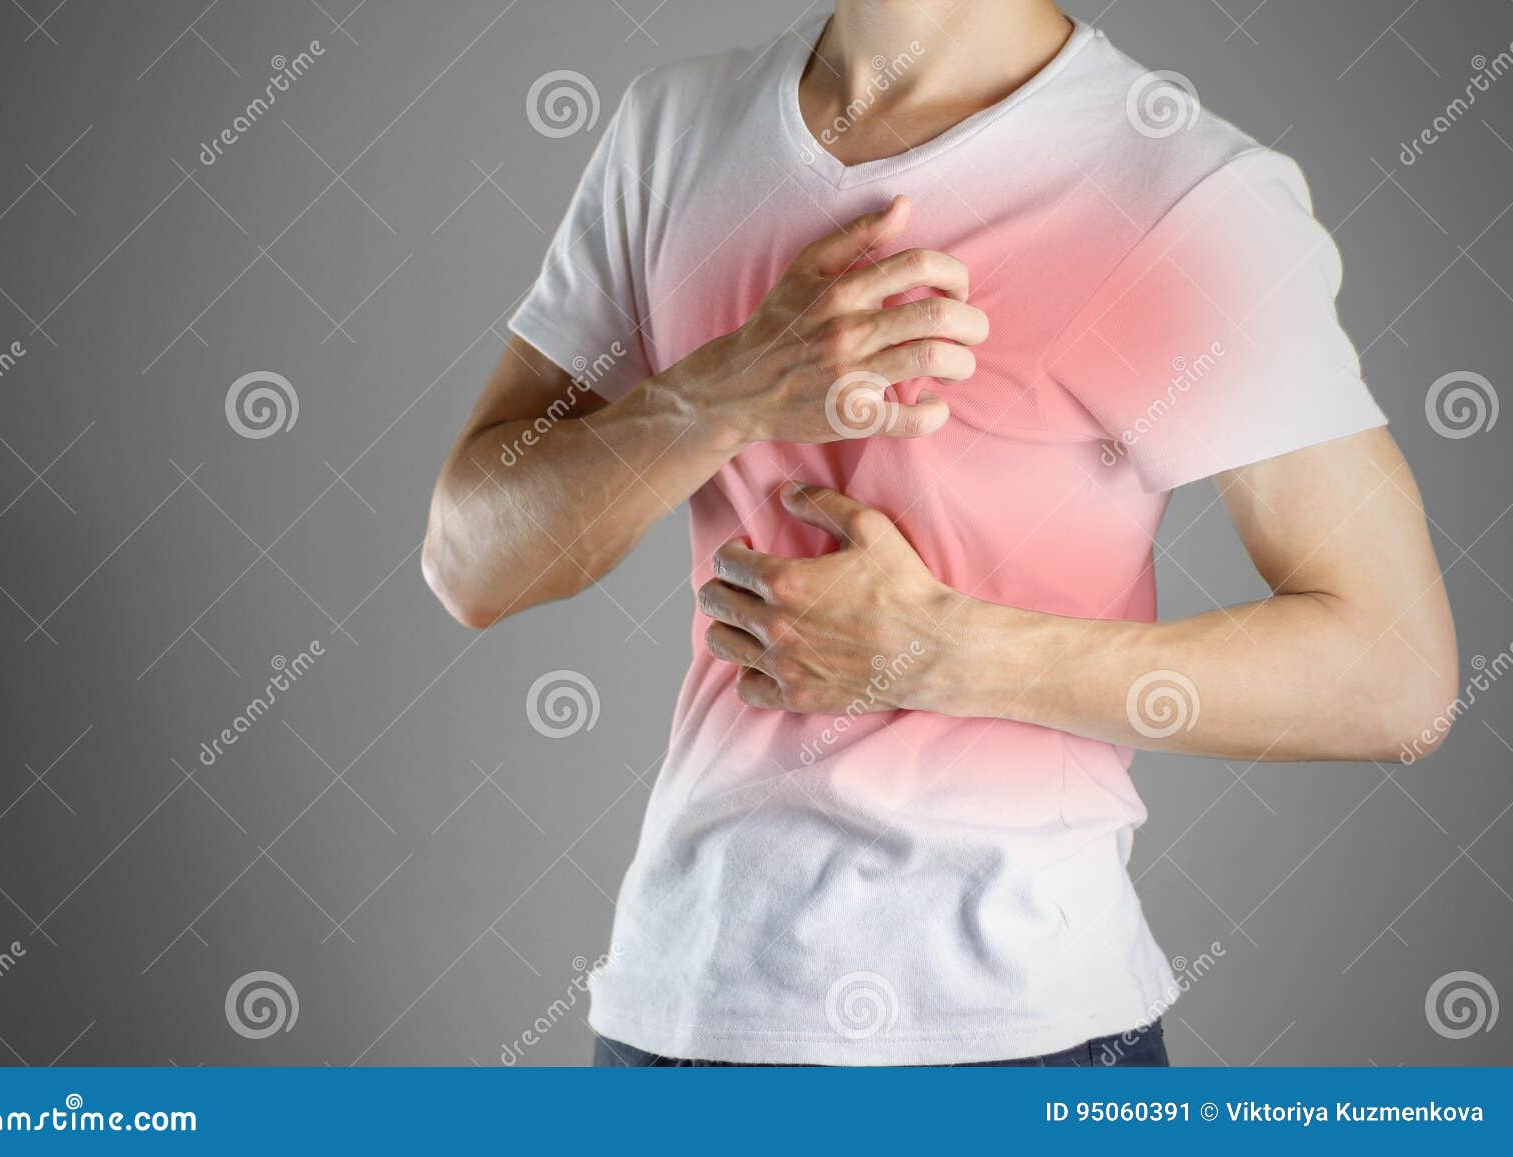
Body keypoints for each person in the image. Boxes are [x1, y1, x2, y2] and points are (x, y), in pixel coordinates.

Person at [422, 0, 1457, 1067]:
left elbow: (1392, 673)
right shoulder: (673, 128)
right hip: (674, 1013)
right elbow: (471, 561)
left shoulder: (1177, 188)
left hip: (1015, 1034)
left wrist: (943, 653)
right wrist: (717, 394)